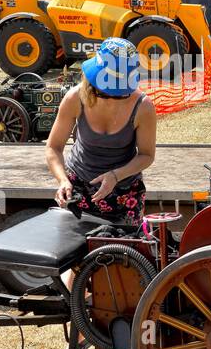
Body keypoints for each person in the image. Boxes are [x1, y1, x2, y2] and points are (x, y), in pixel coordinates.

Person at [46, 37, 157, 223]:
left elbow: (146, 155)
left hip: (124, 192)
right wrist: (63, 181)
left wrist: (115, 176)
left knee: (123, 249)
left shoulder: (143, 106)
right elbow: (53, 147)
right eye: (105, 92)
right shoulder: (75, 98)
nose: (113, 97)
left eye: (119, 93)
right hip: (79, 187)